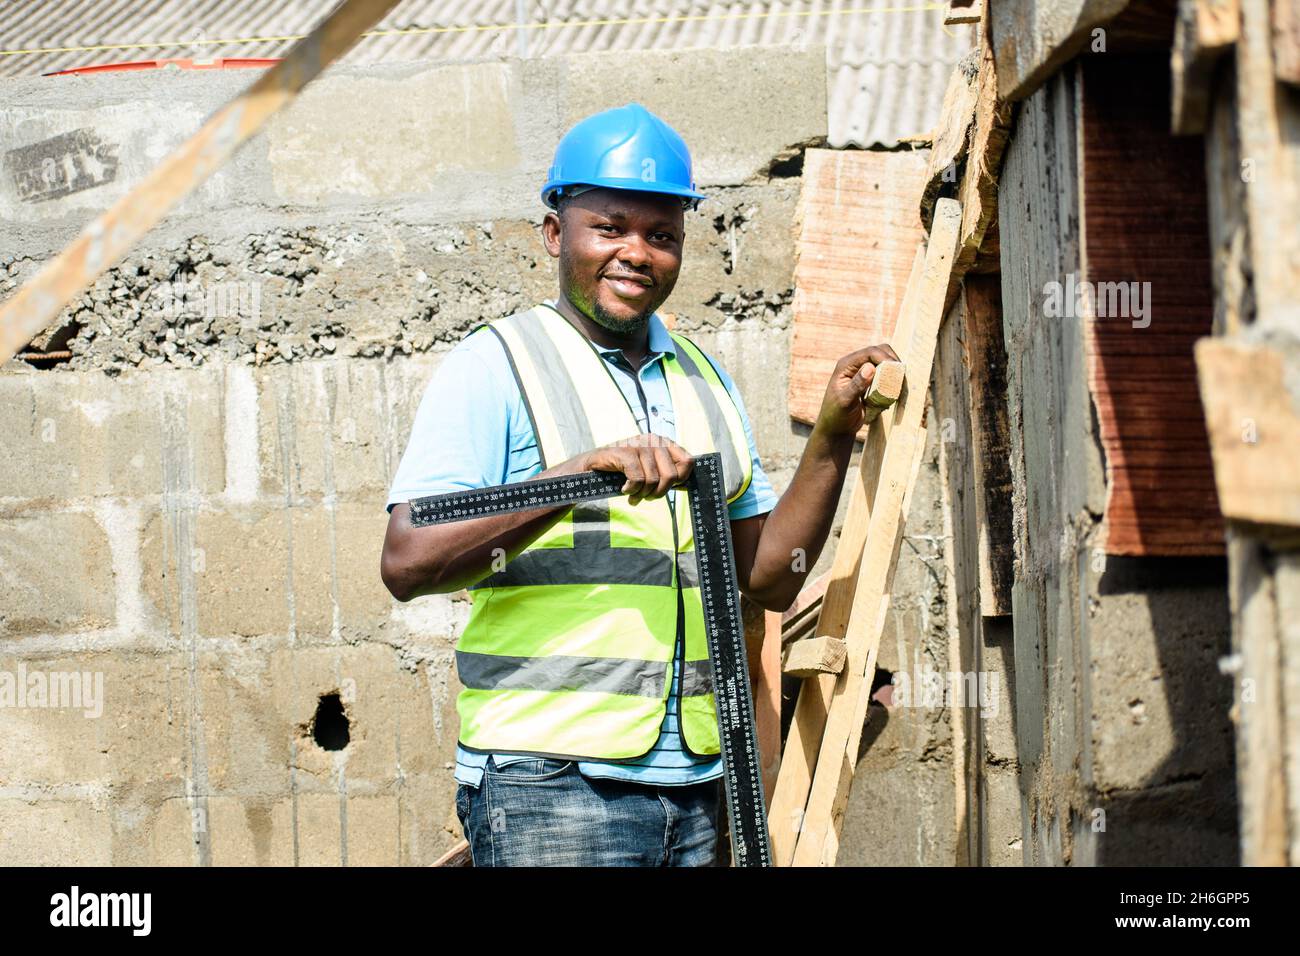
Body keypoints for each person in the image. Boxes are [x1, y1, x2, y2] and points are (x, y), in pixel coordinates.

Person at [380, 103, 899, 866]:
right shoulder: (495, 367)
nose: (637, 253)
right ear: (556, 234)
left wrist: (830, 435)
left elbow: (767, 578)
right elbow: (408, 560)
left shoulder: (704, 380)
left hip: (693, 788)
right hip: (551, 787)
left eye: (661, 236)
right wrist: (571, 479)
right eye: (611, 227)